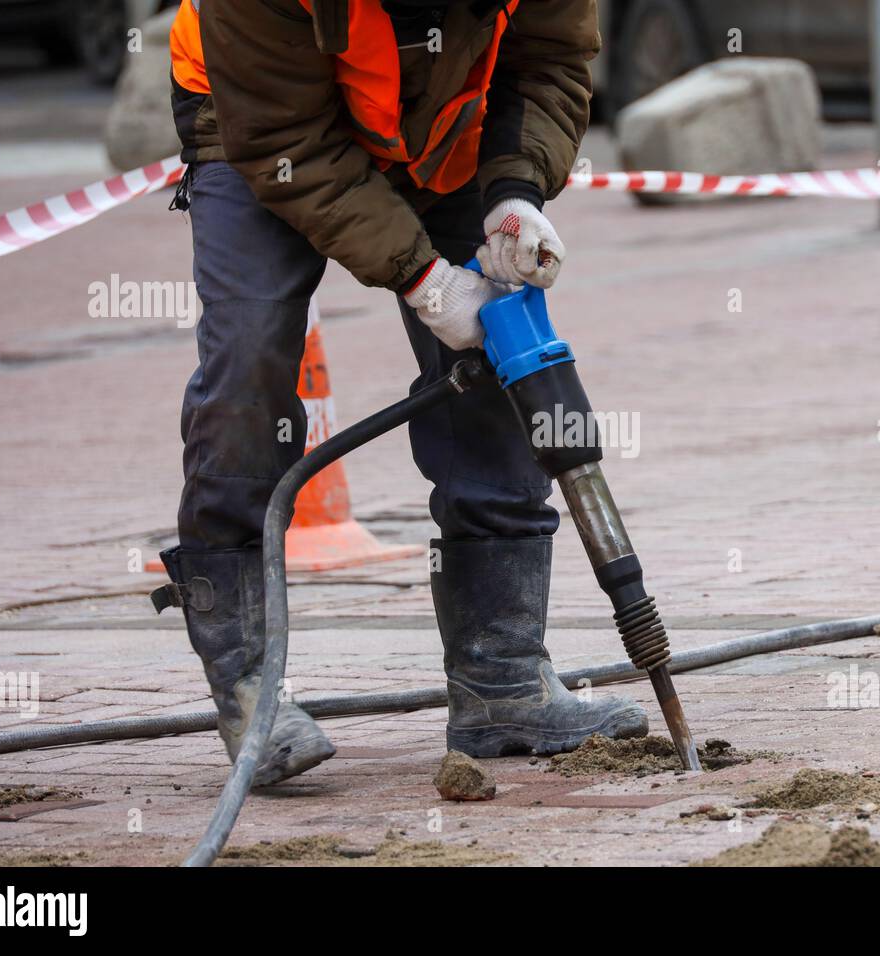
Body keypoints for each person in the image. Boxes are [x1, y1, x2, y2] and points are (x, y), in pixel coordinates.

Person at [150, 0, 647, 785]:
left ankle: (502, 681)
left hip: (440, 123)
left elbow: (549, 59)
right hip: (261, 121)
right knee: (248, 363)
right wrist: (422, 278)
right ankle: (249, 691)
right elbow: (286, 142)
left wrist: (516, 191)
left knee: (492, 360)